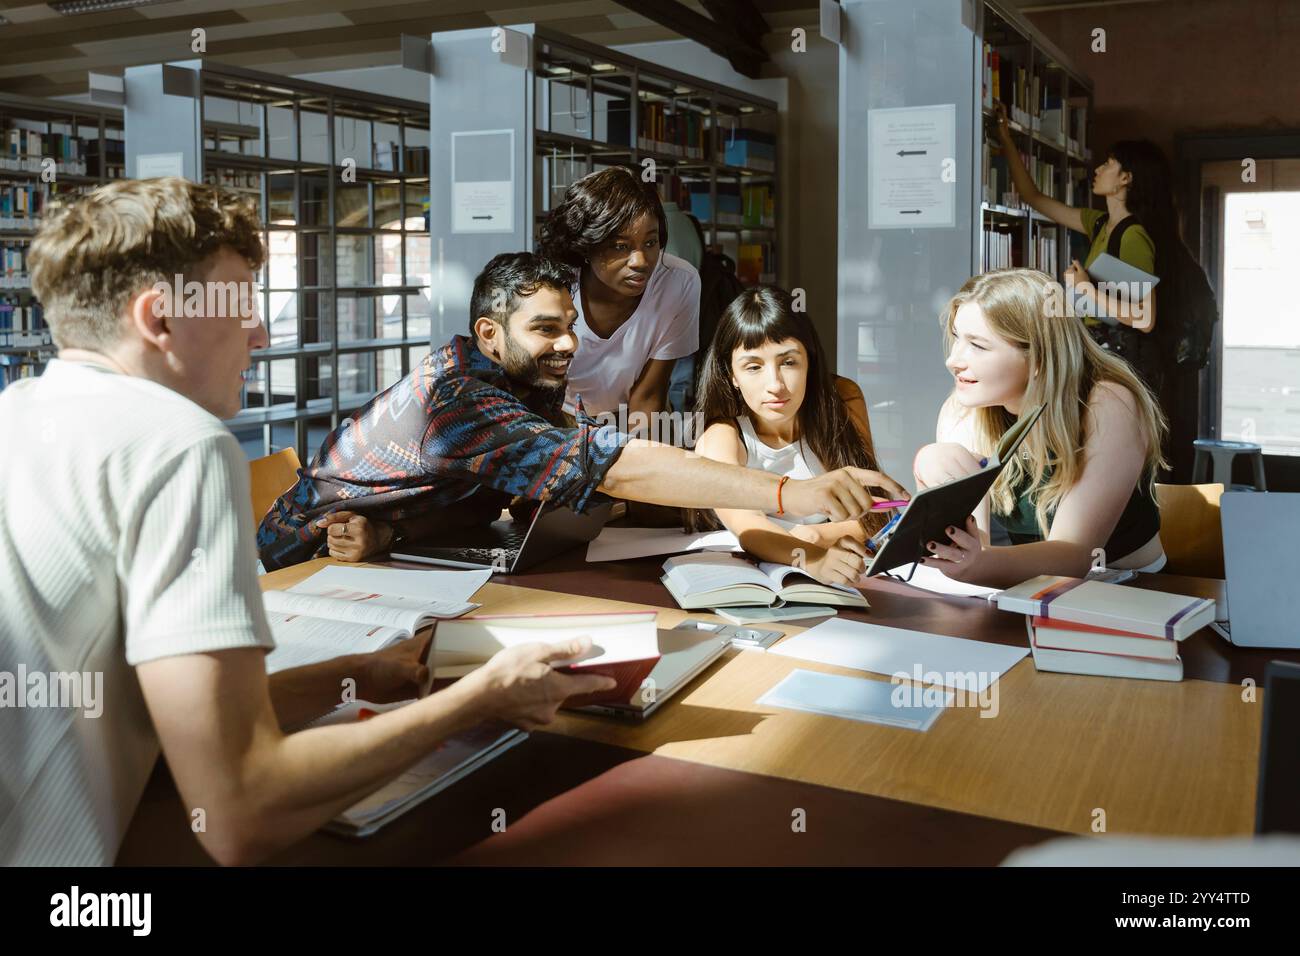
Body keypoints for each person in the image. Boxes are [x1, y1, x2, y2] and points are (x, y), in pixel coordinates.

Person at [0, 178, 621, 866]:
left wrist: (351, 674)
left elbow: (152, 707)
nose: (261, 335)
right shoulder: (178, 442)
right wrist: (481, 699)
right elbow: (242, 811)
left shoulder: (20, 414)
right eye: (240, 307)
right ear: (158, 318)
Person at [257, 253, 895, 570]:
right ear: (488, 334)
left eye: (570, 325)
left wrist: (389, 535)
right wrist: (792, 493)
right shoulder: (458, 402)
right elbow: (612, 463)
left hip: (391, 545)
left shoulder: (526, 381)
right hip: (306, 563)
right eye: (545, 329)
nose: (567, 344)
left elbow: (582, 456)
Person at [912, 268, 1169, 590]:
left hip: (1132, 590)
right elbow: (972, 546)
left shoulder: (1108, 403)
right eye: (957, 338)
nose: (953, 360)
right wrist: (933, 468)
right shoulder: (963, 411)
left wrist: (978, 563)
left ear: (1038, 358)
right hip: (1031, 588)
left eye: (977, 345)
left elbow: (1075, 555)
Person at [994, 105, 1205, 478]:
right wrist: (1007, 137)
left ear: (1126, 178)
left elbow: (1143, 318)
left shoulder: (1134, 236)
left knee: (1109, 461)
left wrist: (1083, 289)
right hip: (1104, 358)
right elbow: (1034, 198)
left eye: (1108, 164)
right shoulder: (1102, 224)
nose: (1097, 169)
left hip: (1123, 365)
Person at [689, 288, 907, 586]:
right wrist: (812, 557)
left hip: (848, 577)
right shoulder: (721, 436)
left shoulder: (843, 401)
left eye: (789, 362)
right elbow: (748, 526)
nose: (775, 385)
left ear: (810, 361)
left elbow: (873, 516)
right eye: (753, 367)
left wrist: (816, 536)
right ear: (731, 376)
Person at [538, 166, 700, 424]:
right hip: (555, 419)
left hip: (633, 420)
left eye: (650, 243)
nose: (640, 261)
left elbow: (648, 396)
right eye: (620, 246)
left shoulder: (678, 282)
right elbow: (532, 388)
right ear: (587, 246)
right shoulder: (552, 286)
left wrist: (638, 457)